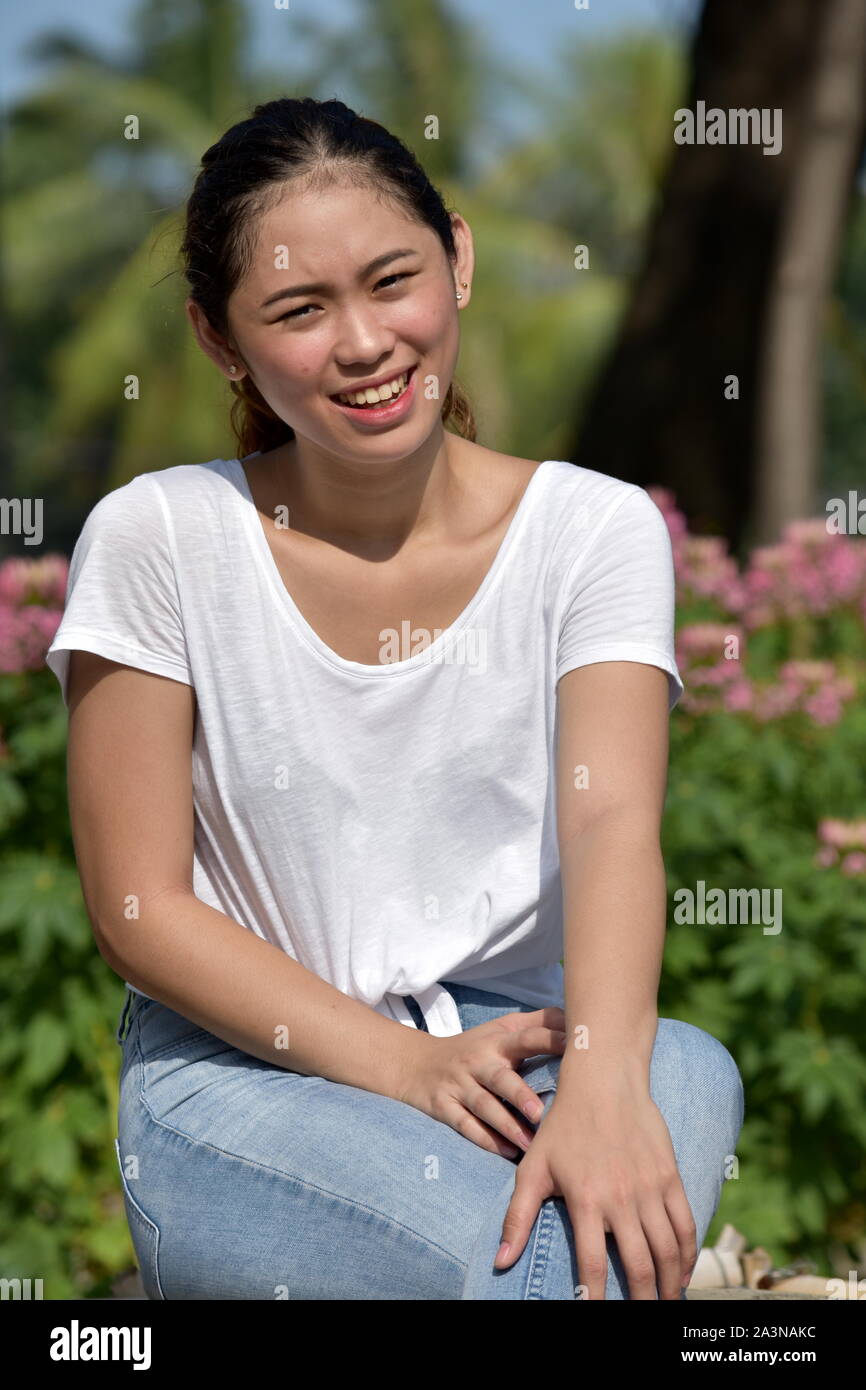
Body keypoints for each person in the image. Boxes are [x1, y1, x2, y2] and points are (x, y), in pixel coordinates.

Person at [45, 96, 743, 1301]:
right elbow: (136, 906)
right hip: (249, 1078)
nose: (363, 343)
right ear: (222, 341)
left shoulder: (593, 530)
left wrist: (606, 1082)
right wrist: (404, 1068)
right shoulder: (162, 537)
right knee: (539, 1268)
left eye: (391, 280)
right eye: (299, 311)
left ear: (457, 259)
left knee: (679, 1071)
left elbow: (611, 820)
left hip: (526, 1048)